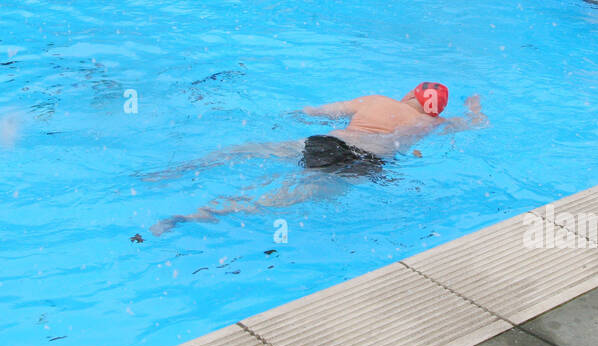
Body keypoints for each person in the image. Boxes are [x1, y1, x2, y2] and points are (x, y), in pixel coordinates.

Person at [147, 83, 487, 235]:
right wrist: (474, 106)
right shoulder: (432, 122)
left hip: (327, 141)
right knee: (283, 196)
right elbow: (477, 125)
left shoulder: (374, 100)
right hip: (365, 160)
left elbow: (317, 112)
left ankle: (175, 171)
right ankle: (195, 216)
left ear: (412, 94)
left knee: (251, 149)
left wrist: (297, 113)